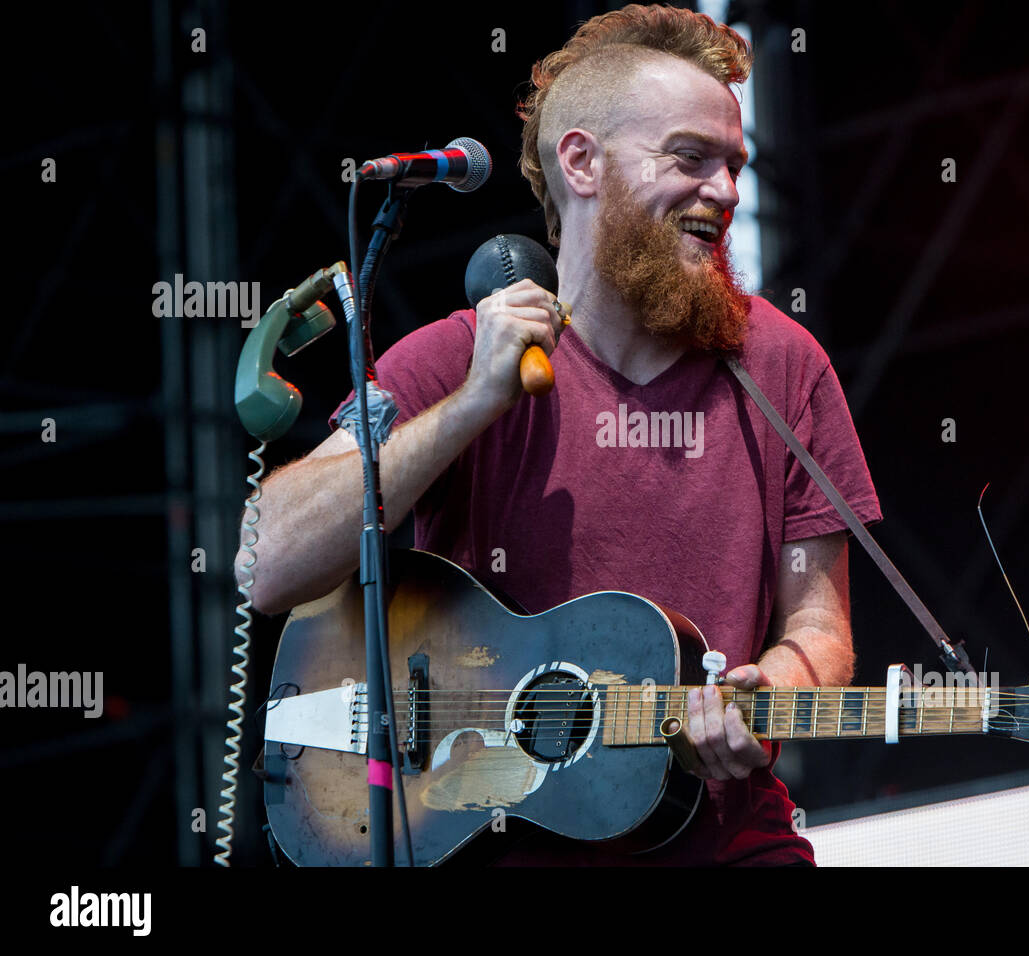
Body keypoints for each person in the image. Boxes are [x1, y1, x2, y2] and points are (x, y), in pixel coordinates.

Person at [238, 3, 881, 866]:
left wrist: (774, 689)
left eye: (734, 166)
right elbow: (269, 564)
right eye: (690, 159)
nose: (726, 193)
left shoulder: (784, 365)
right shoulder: (454, 359)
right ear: (581, 161)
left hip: (723, 840)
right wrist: (473, 403)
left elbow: (821, 626)